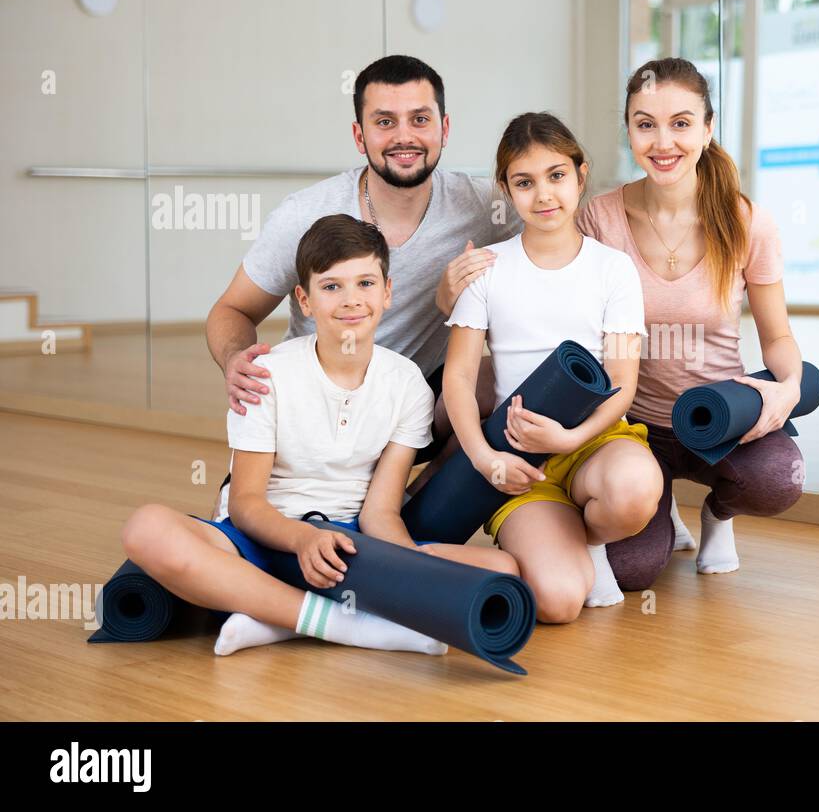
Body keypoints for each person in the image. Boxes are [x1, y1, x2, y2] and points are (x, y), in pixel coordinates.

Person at [120, 214, 518, 657]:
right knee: (147, 527)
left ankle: (273, 617)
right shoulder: (266, 374)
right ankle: (336, 623)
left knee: (501, 568)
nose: (351, 300)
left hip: (352, 545)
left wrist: (407, 568)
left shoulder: (407, 383)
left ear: (387, 292)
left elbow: (381, 512)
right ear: (304, 300)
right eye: (331, 287)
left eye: (365, 283)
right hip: (265, 537)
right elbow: (247, 503)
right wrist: (302, 539)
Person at [205, 55, 521, 496]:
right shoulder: (305, 214)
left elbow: (560, 235)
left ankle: (419, 506)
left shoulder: (485, 207)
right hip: (315, 408)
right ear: (360, 135)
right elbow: (232, 309)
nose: (404, 136)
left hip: (413, 405)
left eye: (420, 119)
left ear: (444, 129)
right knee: (251, 526)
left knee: (504, 379)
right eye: (385, 122)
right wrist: (235, 360)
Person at [577, 57, 804, 589]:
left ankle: (716, 515)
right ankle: (658, 500)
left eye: (681, 123)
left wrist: (788, 389)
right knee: (632, 571)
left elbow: (777, 336)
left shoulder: (748, 221)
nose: (663, 142)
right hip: (631, 426)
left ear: (707, 129)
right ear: (629, 131)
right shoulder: (600, 220)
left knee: (779, 479)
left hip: (717, 420)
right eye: (645, 124)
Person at [442, 112, 662, 623]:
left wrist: (568, 439)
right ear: (506, 189)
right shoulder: (487, 270)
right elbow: (457, 377)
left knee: (634, 490)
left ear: (581, 174)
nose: (544, 195)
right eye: (525, 182)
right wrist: (483, 458)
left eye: (557, 176)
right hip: (517, 457)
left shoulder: (612, 268)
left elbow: (622, 384)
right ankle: (556, 551)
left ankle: (592, 542)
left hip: (596, 442)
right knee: (559, 603)